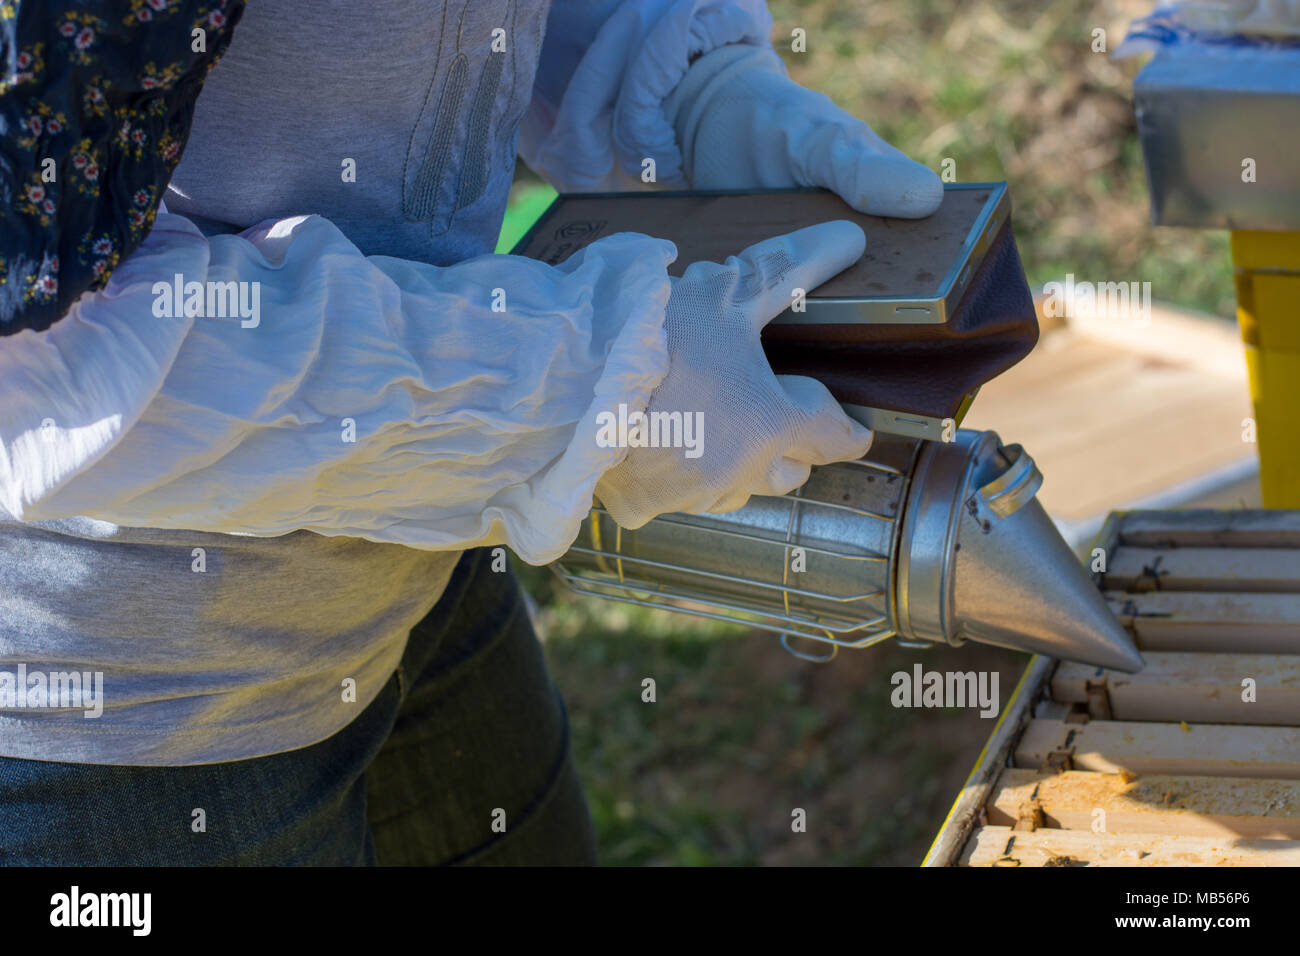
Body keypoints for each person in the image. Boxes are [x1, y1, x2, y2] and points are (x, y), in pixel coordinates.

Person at [0, 0, 941, 865]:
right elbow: (37, 375)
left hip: (416, 559)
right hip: (114, 712)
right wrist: (572, 388)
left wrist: (668, 75)